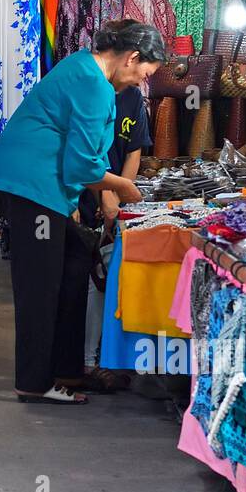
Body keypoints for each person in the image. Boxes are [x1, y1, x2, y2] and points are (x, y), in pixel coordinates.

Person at [0, 19, 167, 405]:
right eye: (143, 74)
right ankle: (34, 382)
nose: (139, 83)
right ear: (131, 58)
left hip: (37, 185)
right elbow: (81, 167)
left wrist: (110, 189)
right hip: (29, 187)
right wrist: (122, 187)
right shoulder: (93, 84)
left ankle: (65, 368)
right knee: (40, 286)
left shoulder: (85, 68)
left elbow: (88, 152)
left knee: (75, 260)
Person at [74, 83, 152, 392]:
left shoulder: (133, 97)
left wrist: (119, 197)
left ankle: (97, 360)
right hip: (81, 193)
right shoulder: (91, 90)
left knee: (103, 278)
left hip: (113, 201)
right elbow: (88, 151)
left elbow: (134, 151)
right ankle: (84, 361)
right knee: (85, 279)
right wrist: (104, 197)